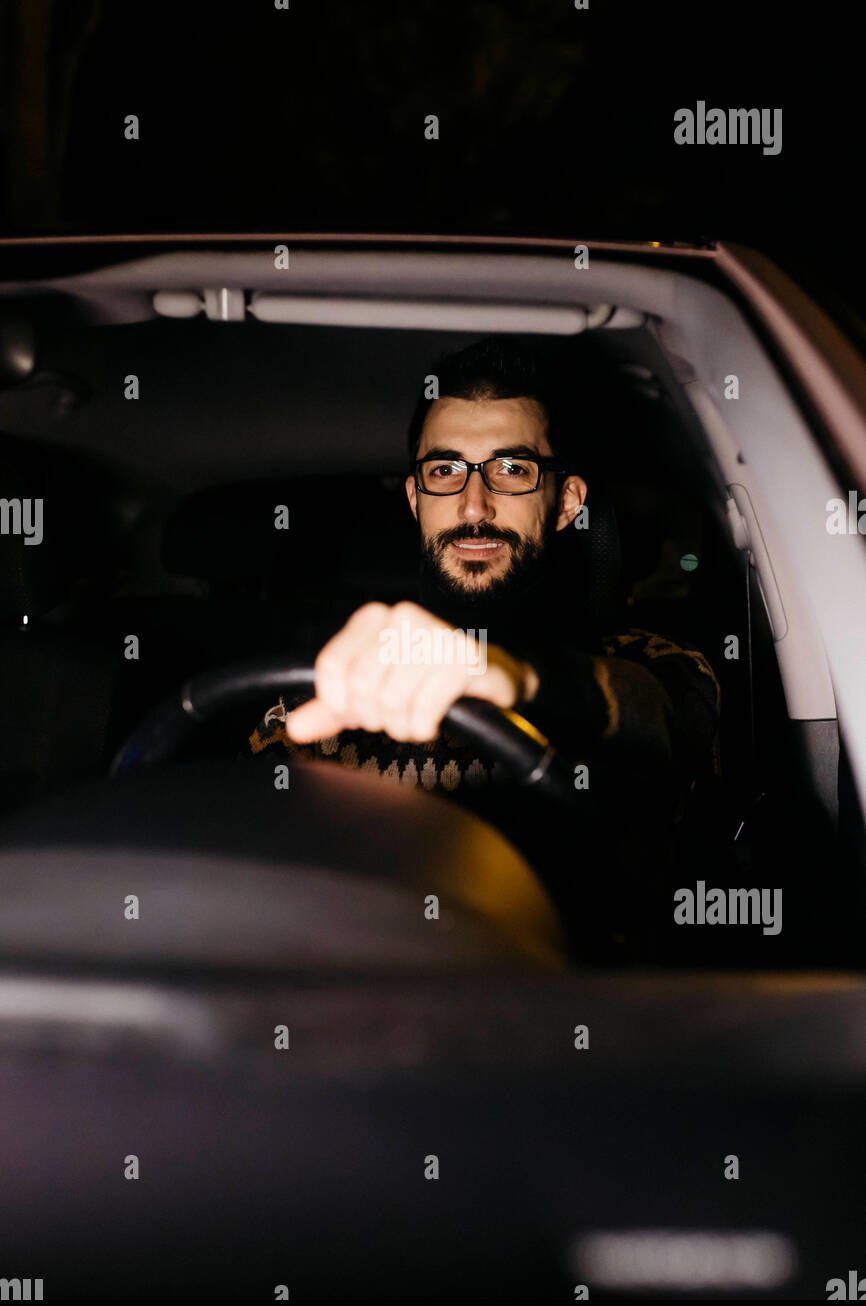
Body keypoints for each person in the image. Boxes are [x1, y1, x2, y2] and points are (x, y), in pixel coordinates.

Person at [247, 337, 720, 945]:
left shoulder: (652, 660)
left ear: (567, 503)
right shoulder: (329, 690)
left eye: (512, 469)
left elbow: (664, 713)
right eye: (445, 470)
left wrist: (521, 679)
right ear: (416, 499)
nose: (474, 505)